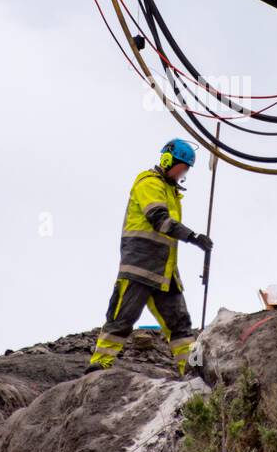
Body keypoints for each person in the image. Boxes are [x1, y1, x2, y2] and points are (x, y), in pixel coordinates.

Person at [88, 139, 213, 375]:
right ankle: (99, 366)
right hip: (140, 266)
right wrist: (194, 237)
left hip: (165, 272)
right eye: (182, 167)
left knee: (181, 324)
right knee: (122, 317)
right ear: (168, 161)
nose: (183, 173)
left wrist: (193, 238)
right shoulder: (149, 183)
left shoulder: (171, 191)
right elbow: (160, 220)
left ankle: (193, 371)